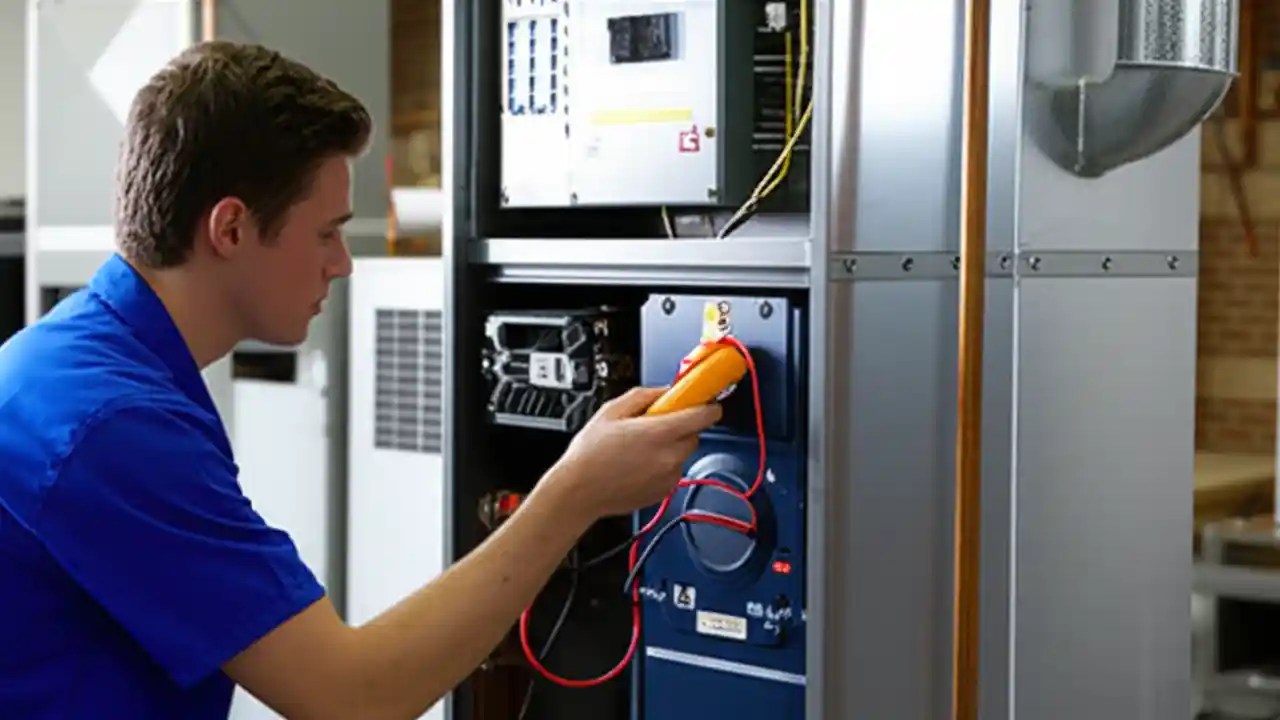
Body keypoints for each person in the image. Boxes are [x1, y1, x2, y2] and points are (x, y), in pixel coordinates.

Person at [0, 41, 721, 718]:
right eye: (327, 232)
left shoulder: (69, 367)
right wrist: (576, 493)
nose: (342, 263)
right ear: (230, 229)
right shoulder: (114, 425)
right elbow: (353, 697)